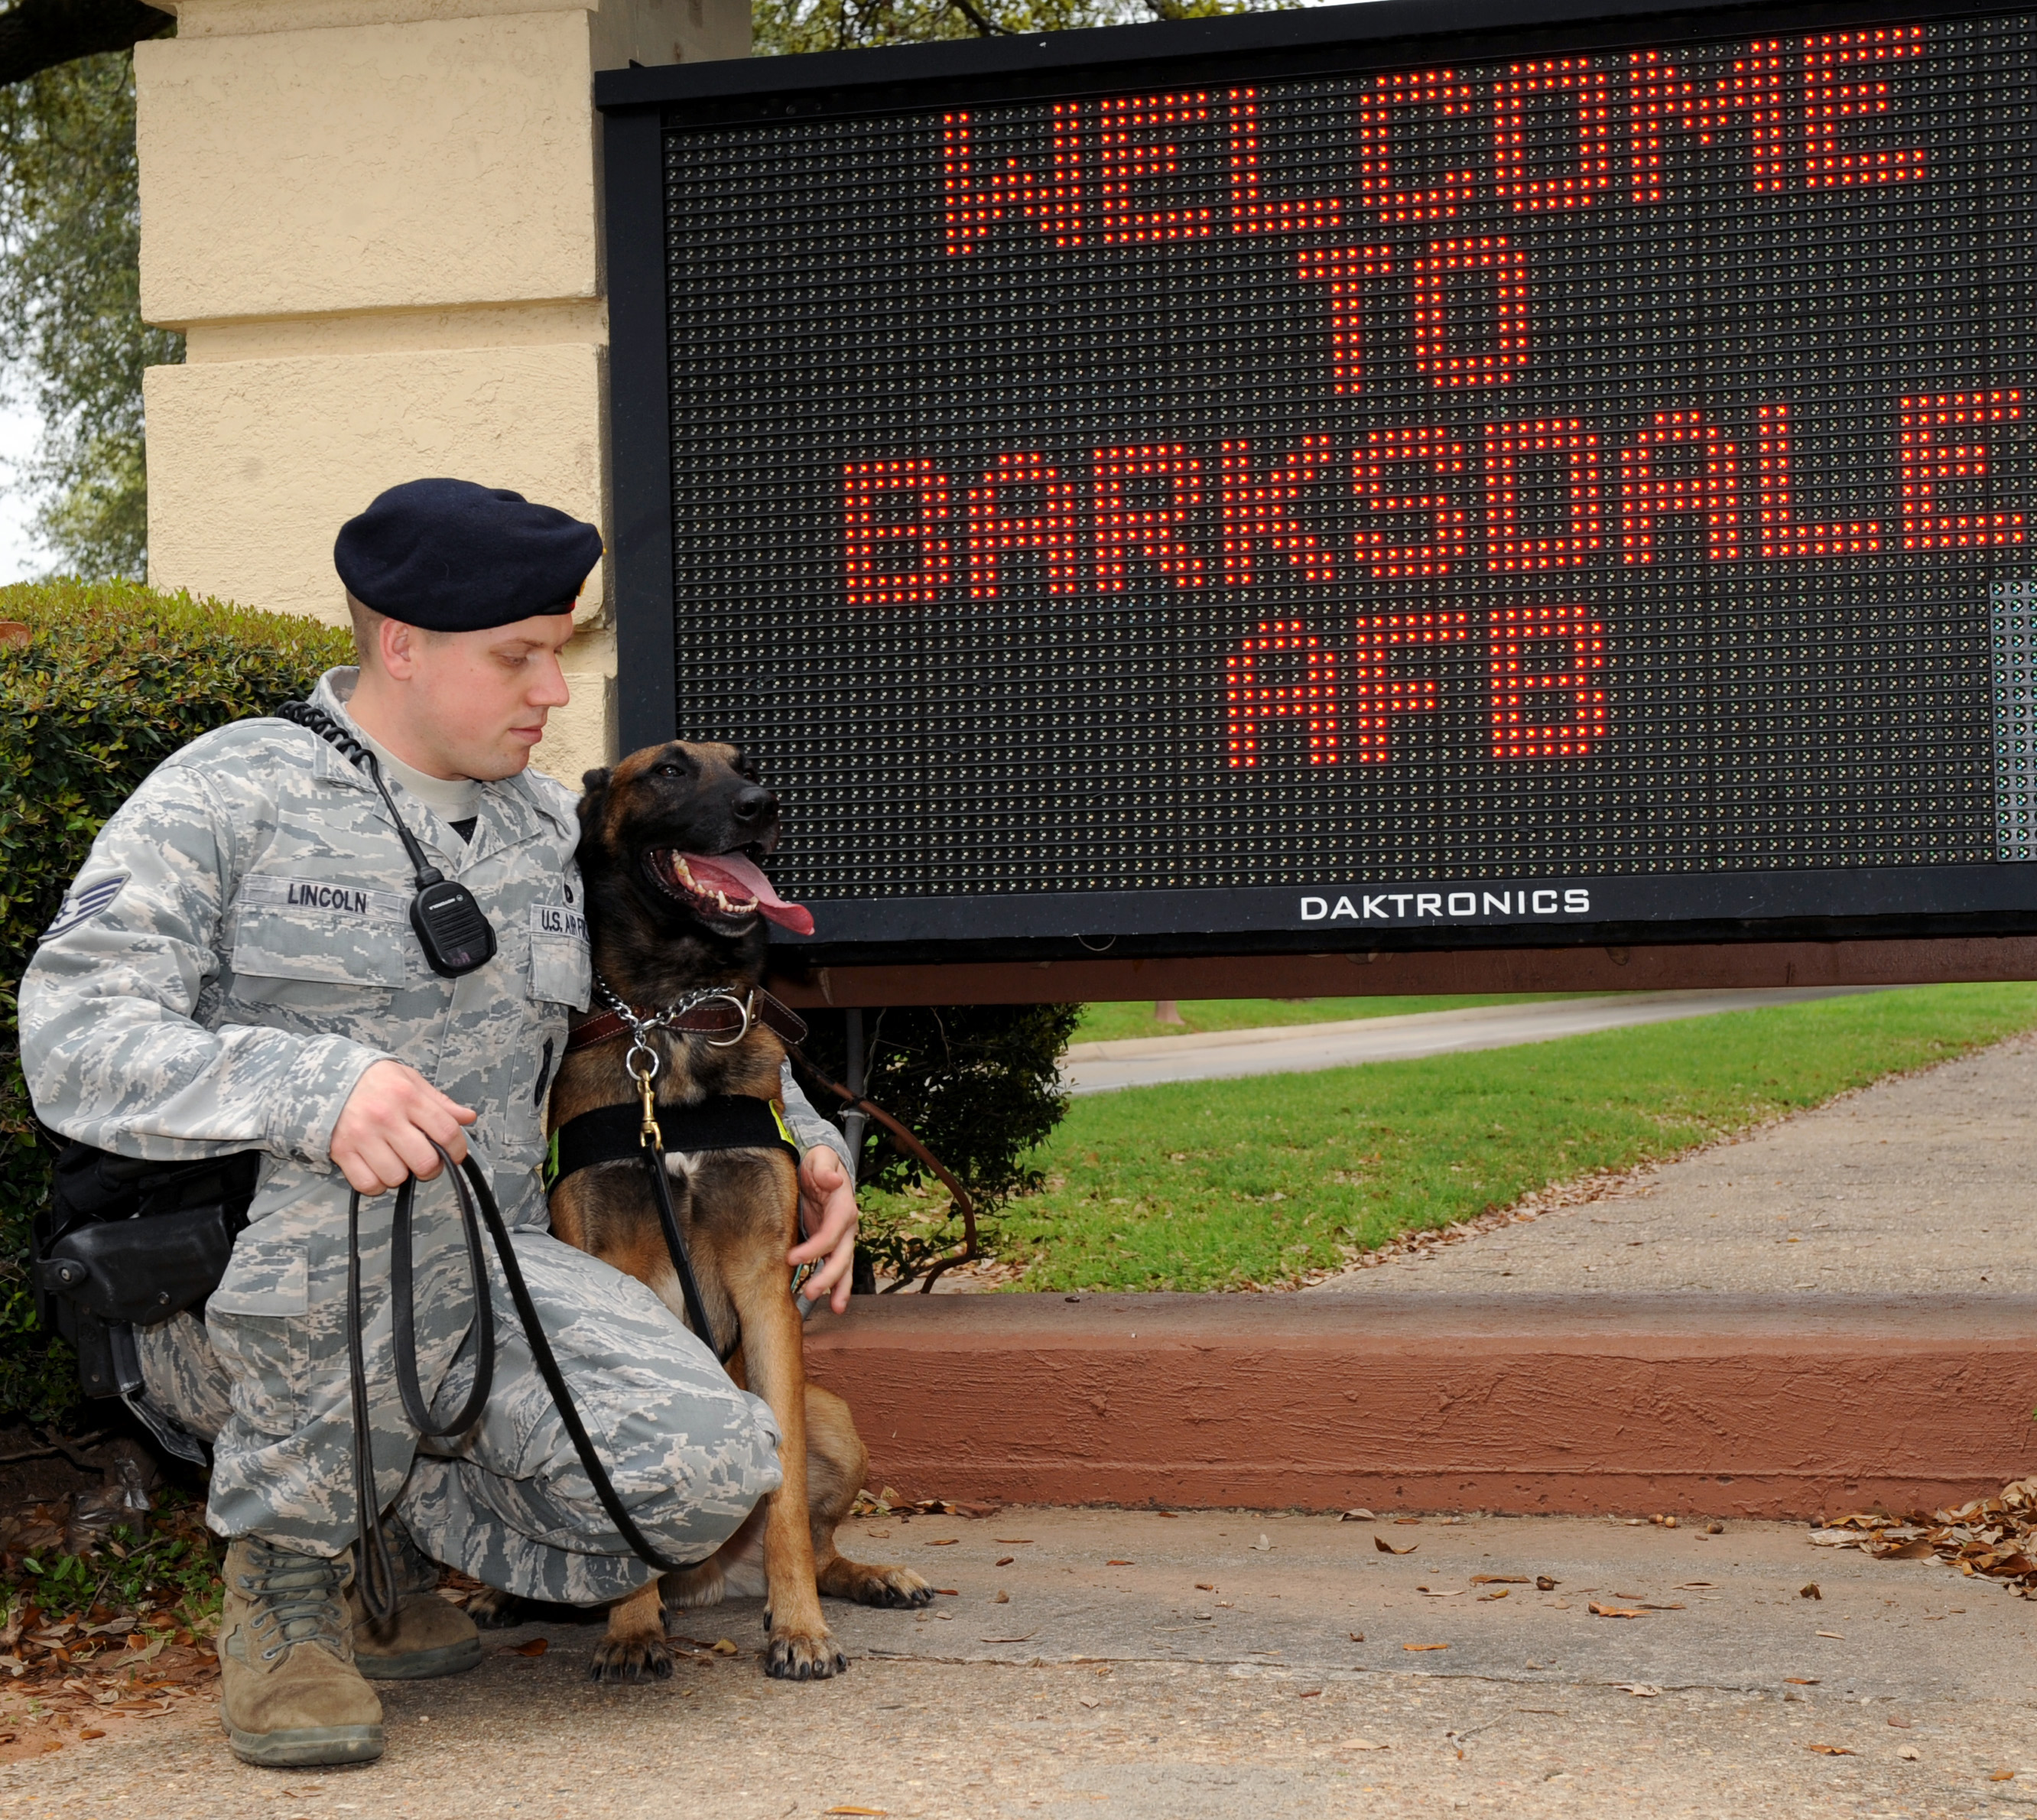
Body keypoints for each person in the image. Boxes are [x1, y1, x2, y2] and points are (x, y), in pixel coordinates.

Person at [18, 478, 861, 1770]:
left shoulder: (537, 829)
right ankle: (289, 1591)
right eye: (520, 656)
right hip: (250, 1298)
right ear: (402, 646)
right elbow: (70, 1036)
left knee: (706, 1472)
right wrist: (317, 1087)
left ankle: (401, 1533)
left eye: (557, 654)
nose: (554, 692)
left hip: (487, 1279)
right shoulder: (229, 794)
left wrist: (807, 1137)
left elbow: (657, 1008)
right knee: (371, 1188)